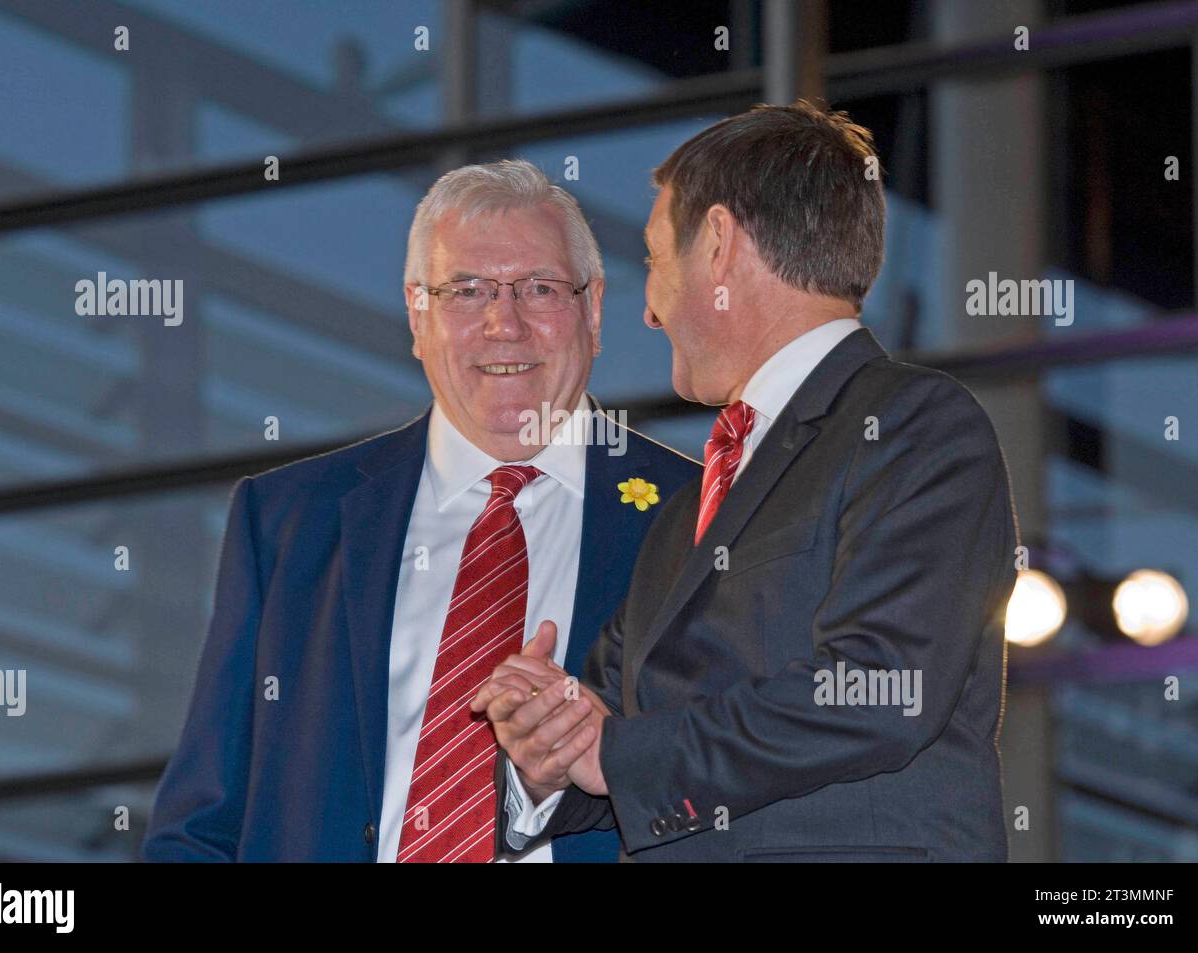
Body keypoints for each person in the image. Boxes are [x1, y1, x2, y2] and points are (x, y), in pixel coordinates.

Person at [477, 103, 1020, 862]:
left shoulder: (915, 425)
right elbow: (606, 737)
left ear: (722, 245)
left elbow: (880, 688)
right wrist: (545, 746)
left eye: (656, 259)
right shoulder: (685, 514)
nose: (649, 307)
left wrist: (614, 755)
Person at [142, 159, 698, 862]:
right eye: (466, 290)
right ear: (417, 314)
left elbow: (742, 797)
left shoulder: (703, 517)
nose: (505, 323)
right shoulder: (286, 521)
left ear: (592, 311)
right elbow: (201, 827)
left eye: (540, 288)